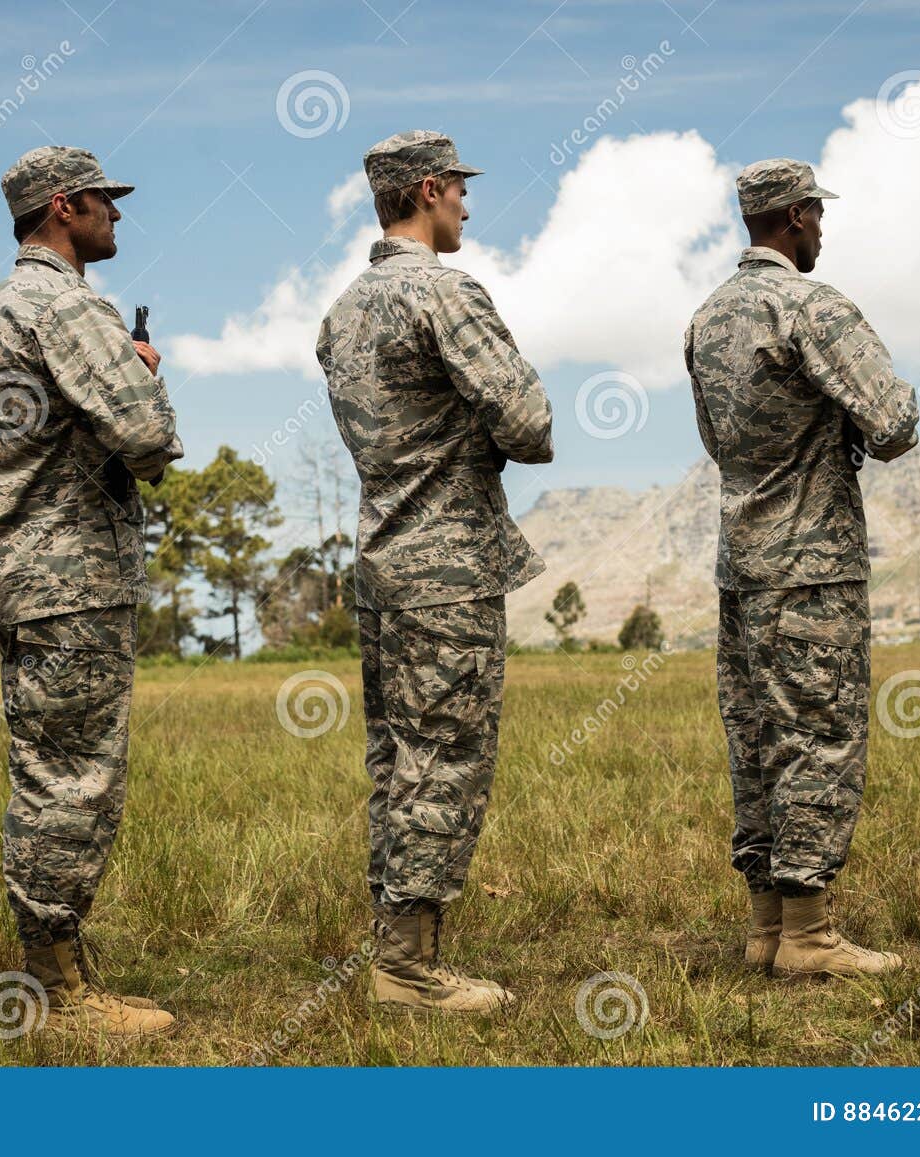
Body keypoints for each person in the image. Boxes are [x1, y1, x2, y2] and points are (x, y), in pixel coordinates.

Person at [316, 131, 552, 1013]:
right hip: (450, 564)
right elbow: (529, 422)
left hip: (383, 557)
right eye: (459, 188)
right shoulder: (446, 294)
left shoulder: (342, 310)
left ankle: (399, 946)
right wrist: (481, 439)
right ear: (426, 188)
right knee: (444, 759)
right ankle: (408, 971)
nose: (467, 204)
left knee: (398, 759)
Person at [0, 146, 182, 1033]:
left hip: (20, 570)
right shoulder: (69, 302)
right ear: (62, 207)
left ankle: (51, 964)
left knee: (44, 771)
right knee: (77, 782)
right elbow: (147, 432)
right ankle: (57, 991)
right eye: (103, 202)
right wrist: (141, 375)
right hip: (76, 575)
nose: (115, 216)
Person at [685, 158, 918, 979]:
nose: (823, 228)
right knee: (819, 736)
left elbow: (718, 443)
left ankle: (766, 926)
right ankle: (812, 936)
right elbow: (892, 421)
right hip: (813, 566)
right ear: (794, 218)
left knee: (756, 740)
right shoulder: (813, 307)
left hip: (740, 566)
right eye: (817, 214)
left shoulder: (707, 319)